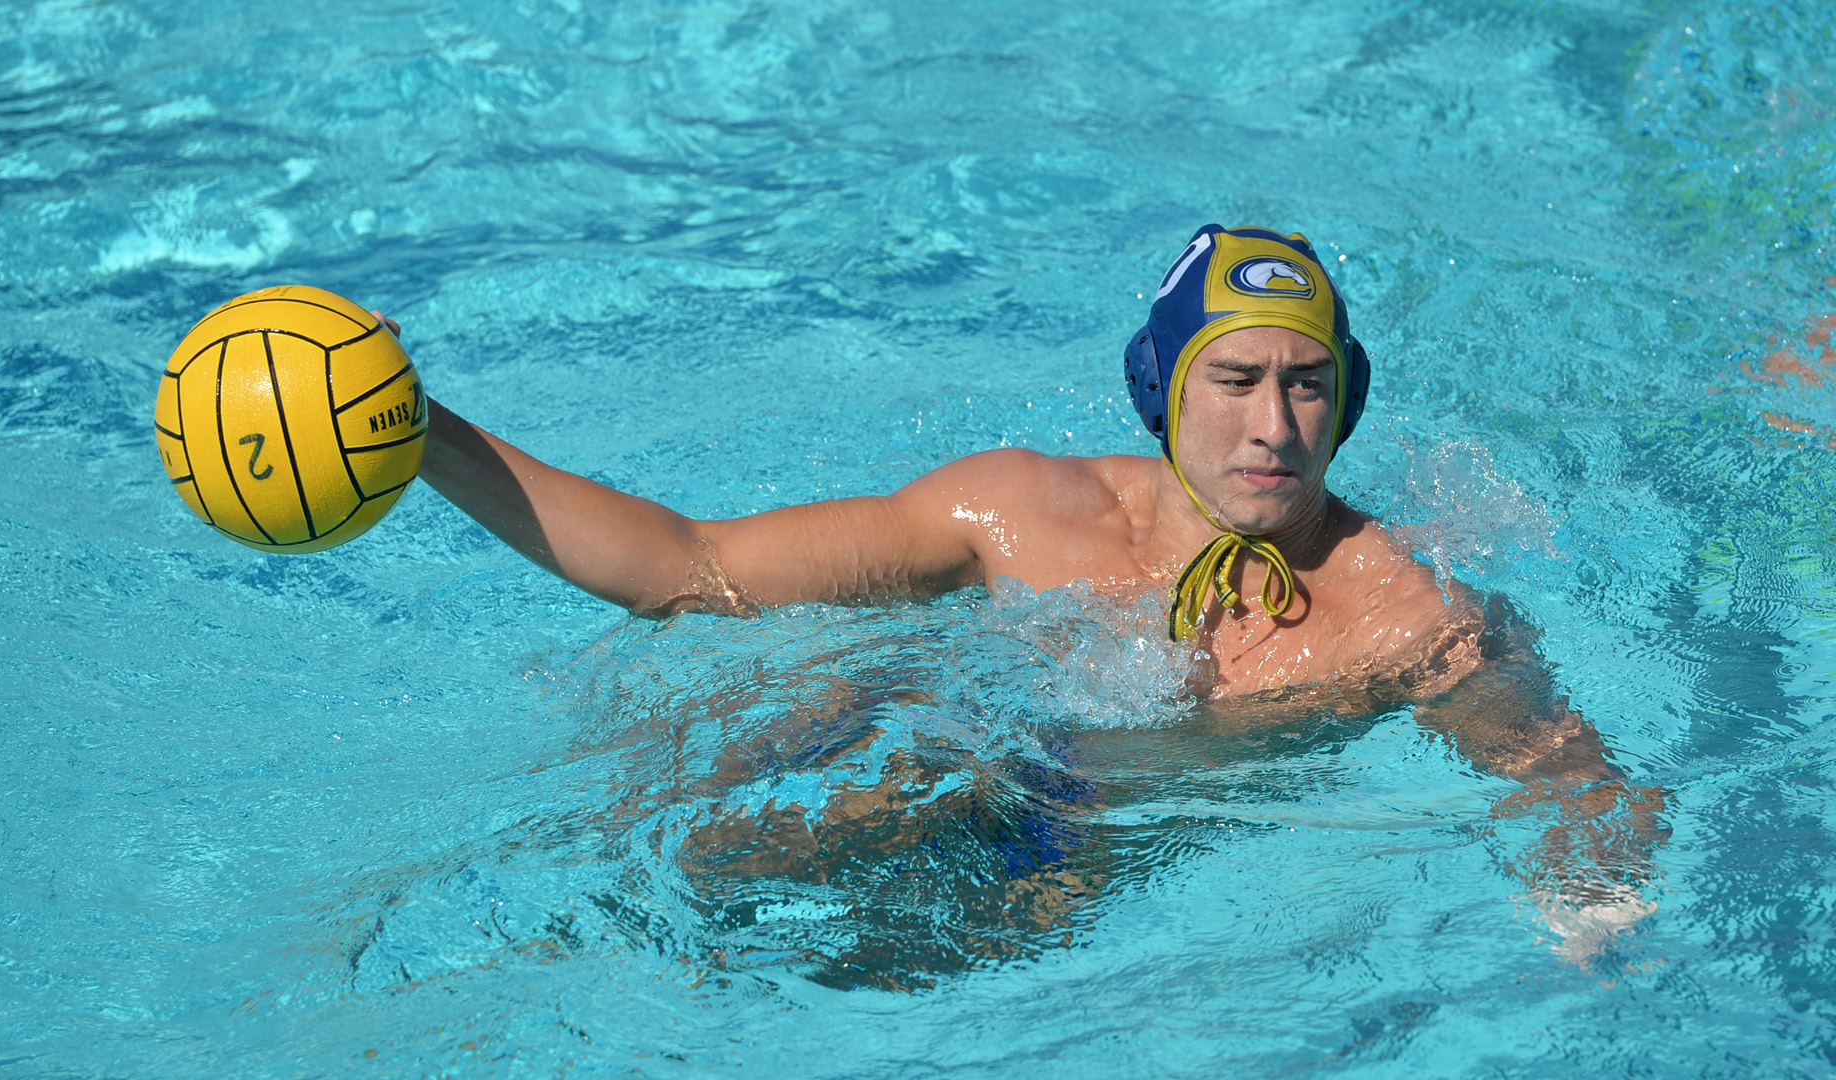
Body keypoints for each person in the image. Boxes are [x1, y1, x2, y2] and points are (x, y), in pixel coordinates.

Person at [385, 224, 1662, 954]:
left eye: (1308, 382)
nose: (1276, 424)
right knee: (687, 834)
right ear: (1163, 390)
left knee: (839, 932)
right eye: (1236, 381)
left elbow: (1576, 781)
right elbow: (688, 569)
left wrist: (1590, 912)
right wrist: (430, 432)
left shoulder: (1405, 614)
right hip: (901, 731)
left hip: (1053, 860)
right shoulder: (1020, 513)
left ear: (1348, 400)